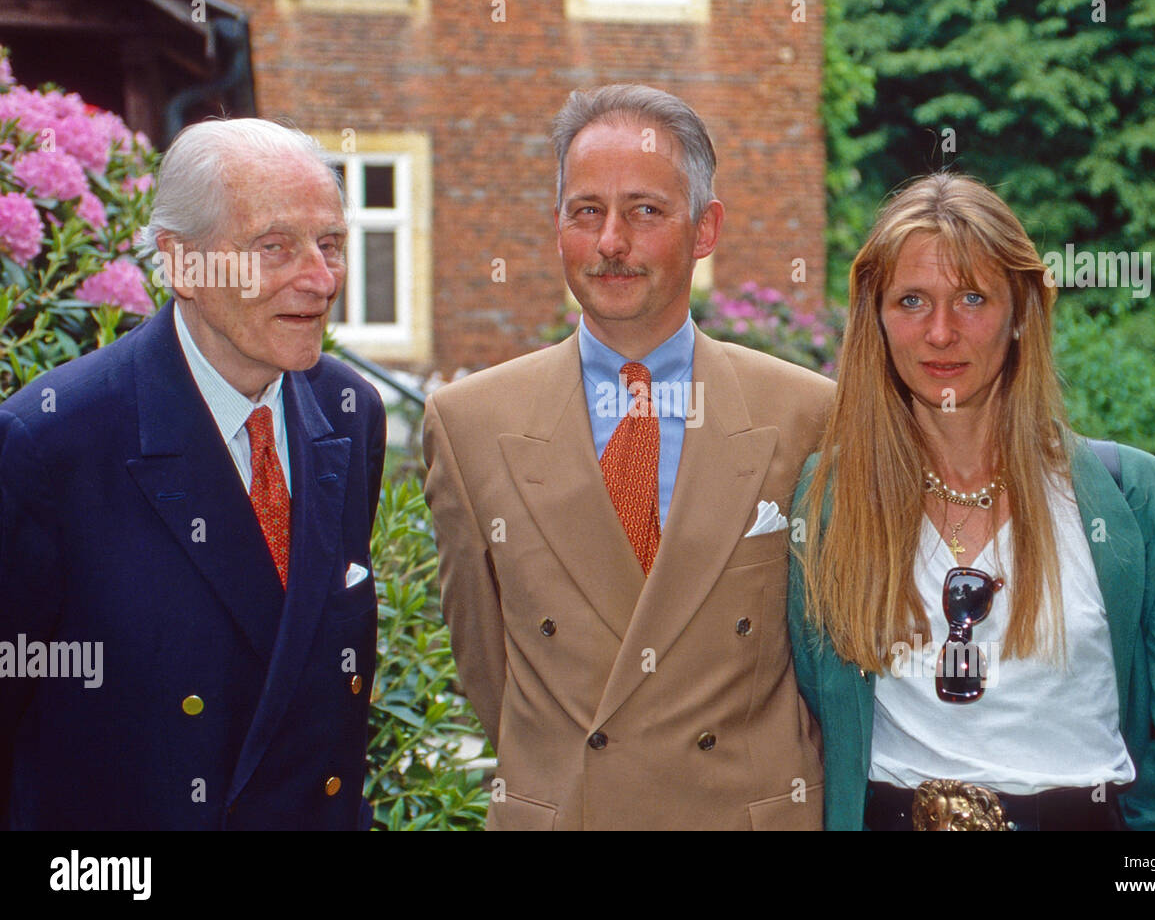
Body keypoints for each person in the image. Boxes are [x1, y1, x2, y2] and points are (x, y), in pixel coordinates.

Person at [788, 172, 1155, 831]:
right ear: (876, 317)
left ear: (1022, 312)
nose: (941, 332)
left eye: (973, 297)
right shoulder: (828, 501)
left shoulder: (1151, 506)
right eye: (912, 300)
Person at [423, 84, 833, 830]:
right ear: (557, 228)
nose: (612, 241)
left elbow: (827, 654)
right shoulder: (468, 423)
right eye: (587, 212)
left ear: (705, 229)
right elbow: (489, 668)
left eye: (646, 210)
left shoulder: (805, 413)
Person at [0, 118, 386, 829]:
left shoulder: (350, 411)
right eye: (275, 247)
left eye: (330, 243)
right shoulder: (50, 441)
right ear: (181, 263)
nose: (321, 277)